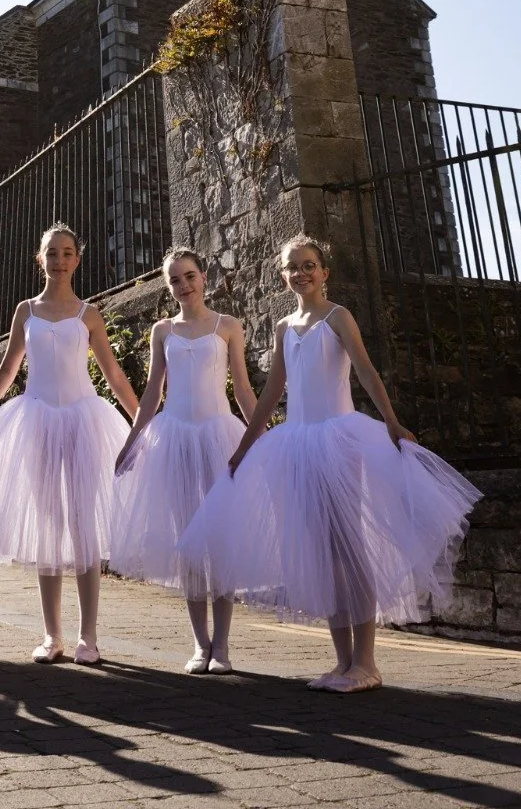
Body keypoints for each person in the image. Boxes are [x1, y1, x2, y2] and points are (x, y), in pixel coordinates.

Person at [179, 235, 482, 693]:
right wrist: (244, 446)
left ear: (324, 272)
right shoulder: (284, 327)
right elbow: (272, 391)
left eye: (309, 265)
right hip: (298, 443)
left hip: (339, 440)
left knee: (348, 547)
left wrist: (392, 422)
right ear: (283, 275)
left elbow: (366, 370)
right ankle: (341, 662)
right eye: (292, 267)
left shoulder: (338, 317)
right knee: (323, 551)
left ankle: (366, 663)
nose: (300, 273)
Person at [0, 223, 139, 666]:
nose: (59, 260)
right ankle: (52, 635)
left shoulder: (89, 314)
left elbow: (111, 373)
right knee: (48, 522)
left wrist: (140, 419)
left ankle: (88, 637)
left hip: (83, 420)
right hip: (36, 420)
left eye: (67, 252)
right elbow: (9, 370)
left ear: (77, 259)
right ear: (41, 259)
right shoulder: (26, 311)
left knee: (83, 523)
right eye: (52, 253)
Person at [112, 246, 257, 674]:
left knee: (220, 541)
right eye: (174, 280)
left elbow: (243, 390)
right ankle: (199, 643)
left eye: (189, 276)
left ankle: (222, 646)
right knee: (188, 541)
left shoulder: (227, 326)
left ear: (204, 277)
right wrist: (132, 442)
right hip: (174, 440)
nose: (183, 285)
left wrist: (263, 438)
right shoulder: (162, 331)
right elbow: (152, 394)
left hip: (219, 438)